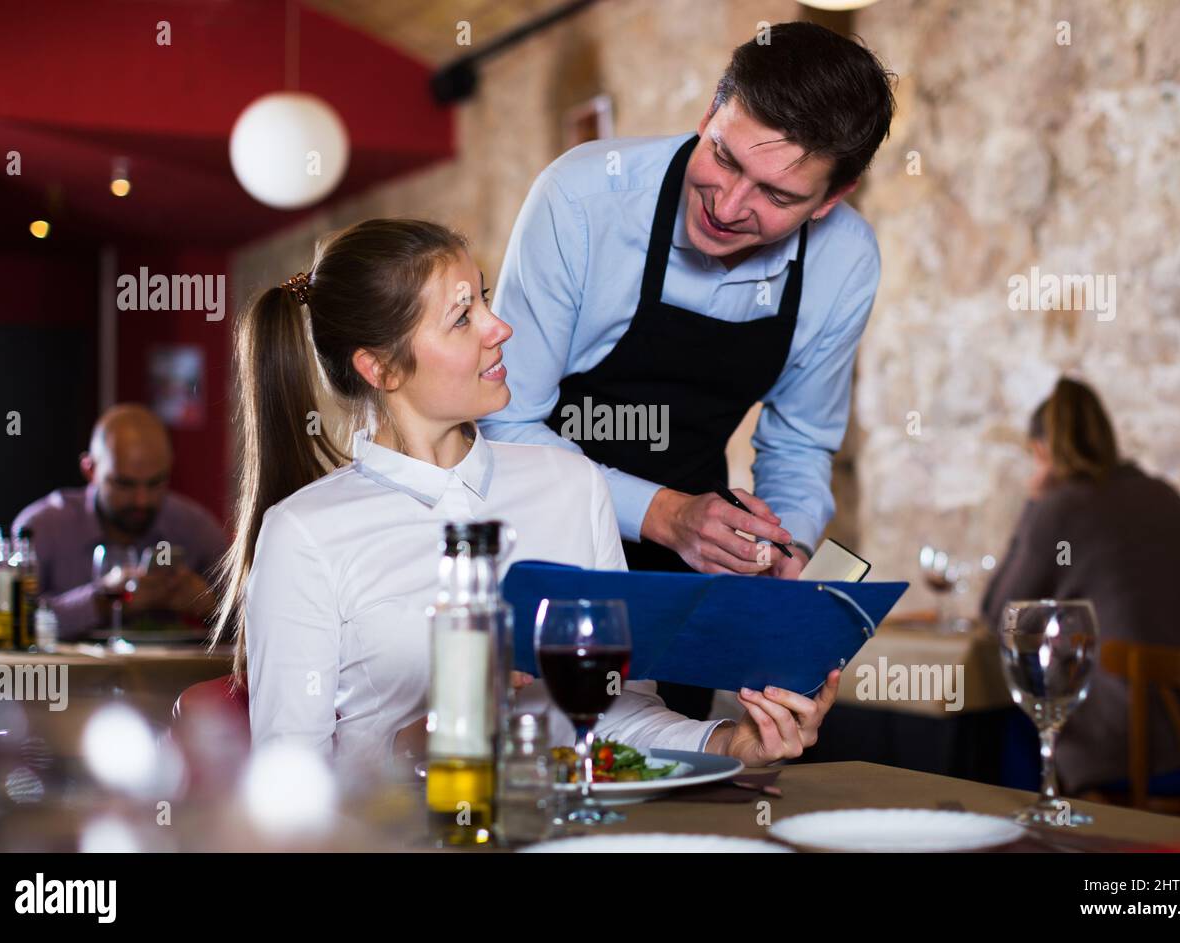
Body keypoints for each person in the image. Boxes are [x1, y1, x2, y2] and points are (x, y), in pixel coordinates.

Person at [217, 218, 841, 781]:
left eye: (483, 297)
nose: (500, 327)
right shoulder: (303, 533)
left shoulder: (573, 485)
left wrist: (733, 742)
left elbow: (614, 717)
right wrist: (425, 738)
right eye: (463, 317)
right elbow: (288, 790)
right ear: (381, 369)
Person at [480, 22, 895, 717]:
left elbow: (800, 444)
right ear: (707, 116)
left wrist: (781, 544)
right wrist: (667, 513)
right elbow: (504, 419)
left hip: (692, 574)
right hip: (541, 547)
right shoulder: (583, 199)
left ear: (830, 200)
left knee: (674, 777)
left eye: (778, 196)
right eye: (724, 158)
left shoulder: (845, 261)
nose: (729, 207)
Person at [981, 378, 1180, 793]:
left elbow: (999, 616)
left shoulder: (1059, 509)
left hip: (1135, 757)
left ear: (1041, 452)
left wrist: (1033, 503)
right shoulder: (1165, 495)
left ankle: (1033, 836)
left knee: (1004, 717)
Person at [0, 404, 226, 640]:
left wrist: (212, 605)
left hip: (168, 686)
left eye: (156, 483)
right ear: (90, 470)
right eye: (124, 484)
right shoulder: (43, 525)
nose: (142, 500)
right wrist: (100, 601)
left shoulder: (195, 527)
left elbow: (255, 625)